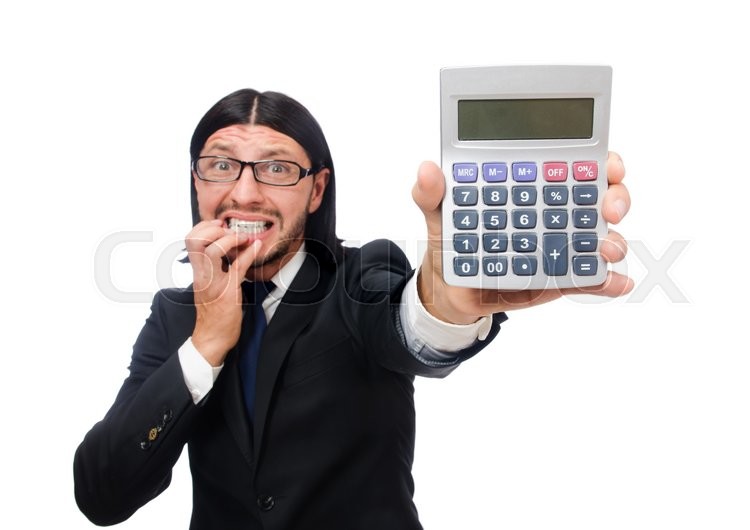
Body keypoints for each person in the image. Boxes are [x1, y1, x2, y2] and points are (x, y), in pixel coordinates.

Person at [73, 89, 632, 529]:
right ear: (197, 181)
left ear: (316, 190)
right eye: (221, 166)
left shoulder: (362, 273)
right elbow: (102, 494)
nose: (243, 194)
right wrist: (206, 345)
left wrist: (448, 304)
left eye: (275, 168)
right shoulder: (175, 315)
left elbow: (405, 326)